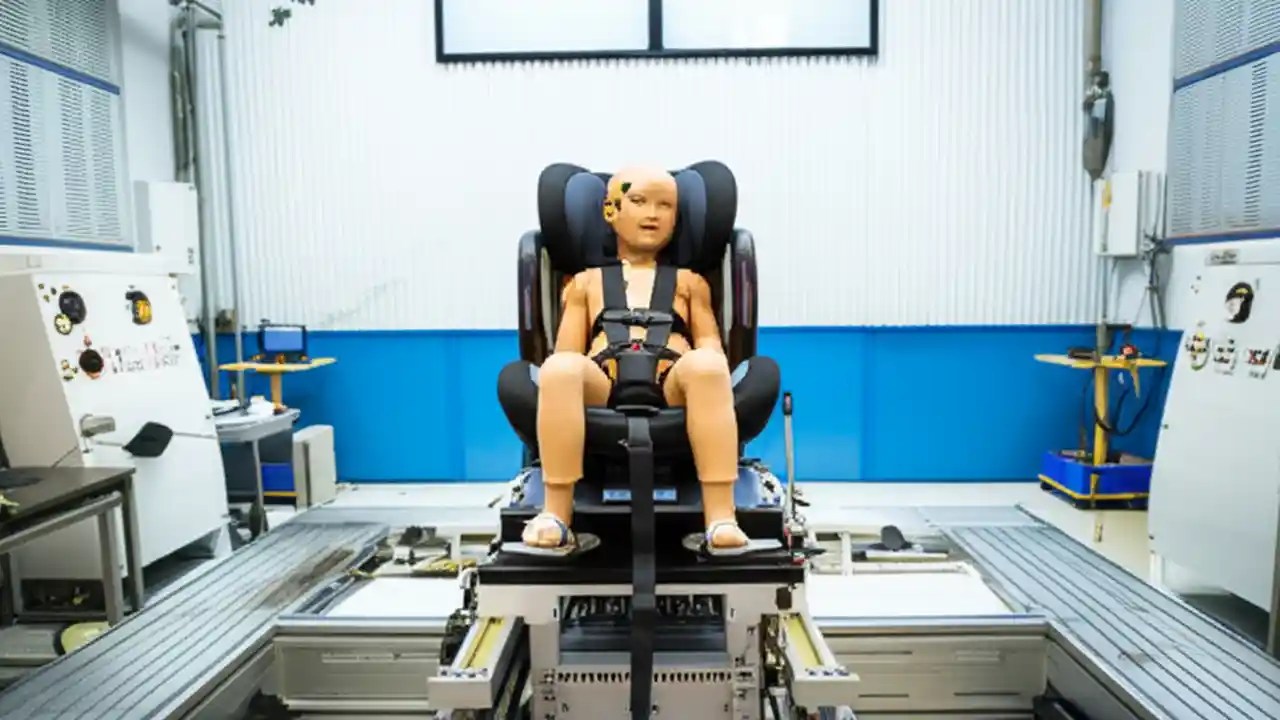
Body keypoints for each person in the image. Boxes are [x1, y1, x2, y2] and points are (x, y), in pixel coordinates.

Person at [521, 166, 748, 551]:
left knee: (709, 365)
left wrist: (711, 372)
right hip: (603, 380)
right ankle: (555, 514)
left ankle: (721, 517)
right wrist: (565, 372)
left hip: (674, 379)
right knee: (559, 369)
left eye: (666, 205)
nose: (652, 214)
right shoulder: (585, 283)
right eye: (639, 201)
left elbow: (709, 341)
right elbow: (567, 350)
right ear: (611, 210)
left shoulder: (690, 282)